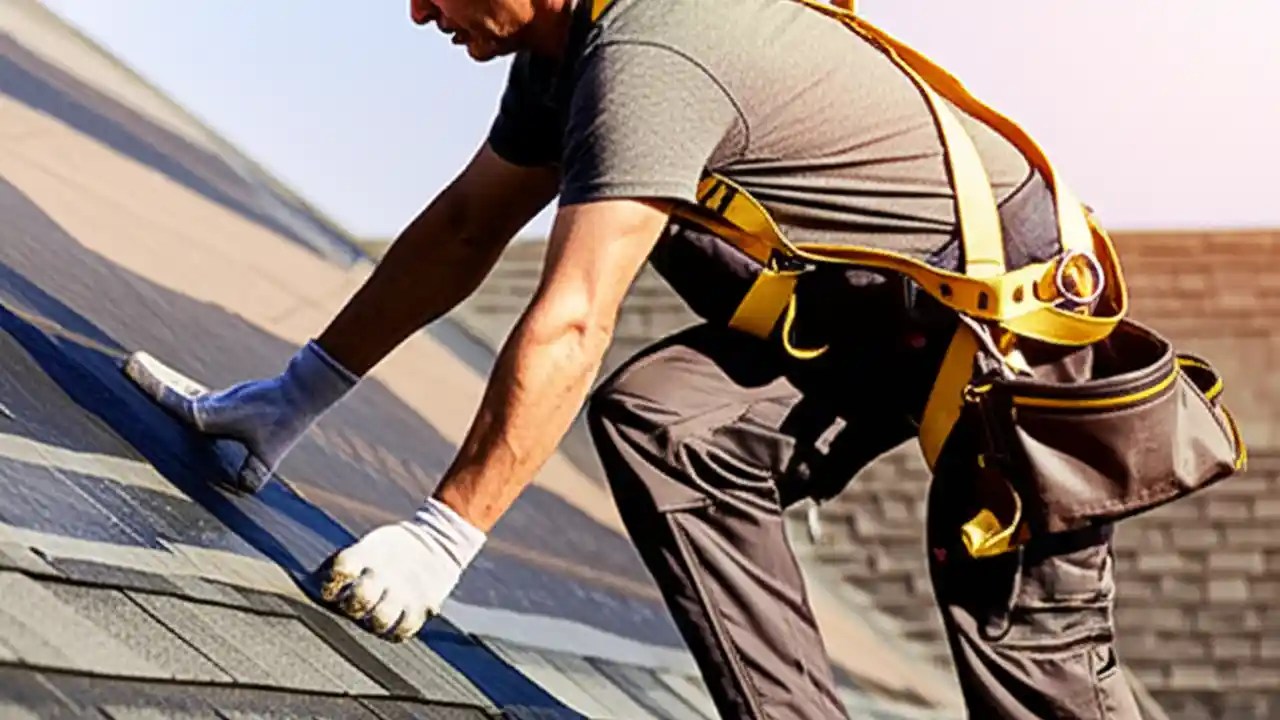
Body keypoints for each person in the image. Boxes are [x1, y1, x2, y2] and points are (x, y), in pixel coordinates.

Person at [124, 0, 1155, 717]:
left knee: (1035, 672)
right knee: (668, 420)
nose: (419, 11)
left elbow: (575, 319)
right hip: (881, 327)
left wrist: (442, 537)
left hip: (1016, 340)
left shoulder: (650, 56)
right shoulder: (563, 56)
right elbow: (464, 227)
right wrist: (296, 395)